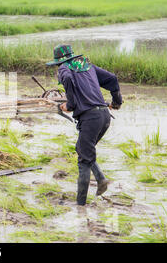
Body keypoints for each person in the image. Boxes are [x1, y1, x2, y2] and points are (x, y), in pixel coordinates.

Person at [46, 45, 123, 206]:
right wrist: (117, 101)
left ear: (59, 62)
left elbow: (66, 79)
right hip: (104, 116)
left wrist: (70, 104)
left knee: (83, 160)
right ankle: (101, 179)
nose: (57, 70)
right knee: (83, 149)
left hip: (90, 118)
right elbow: (112, 79)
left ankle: (80, 204)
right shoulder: (87, 66)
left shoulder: (64, 69)